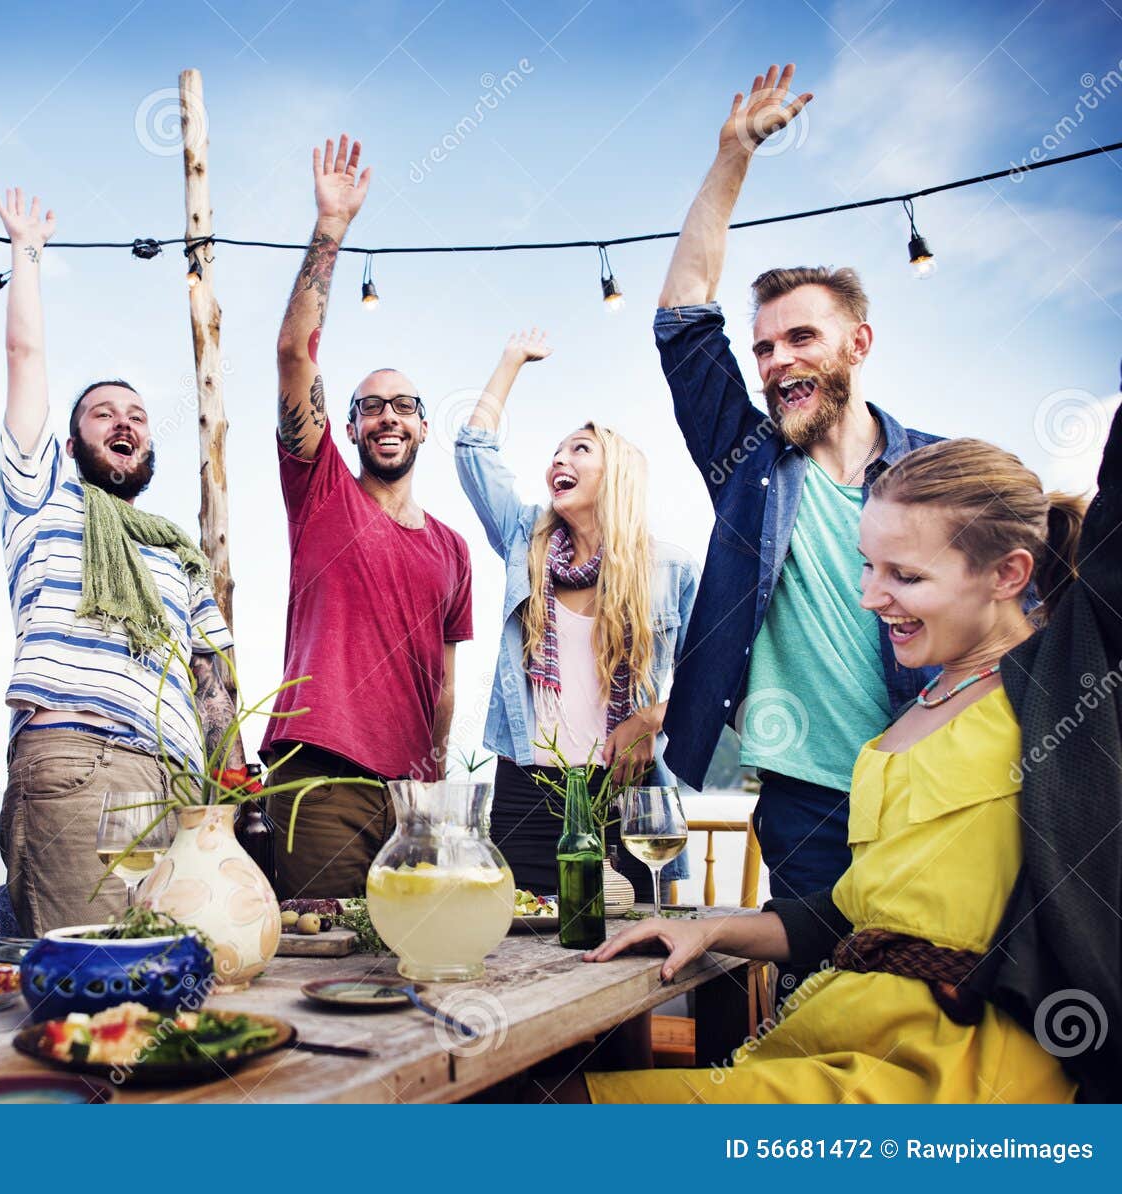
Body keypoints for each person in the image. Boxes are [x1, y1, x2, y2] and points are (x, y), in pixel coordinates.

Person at [580, 435, 1097, 1103]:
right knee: (539, 1102)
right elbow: (842, 919)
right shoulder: (912, 716)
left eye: (905, 576)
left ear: (1007, 575)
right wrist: (708, 928)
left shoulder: (1062, 693)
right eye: (868, 567)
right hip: (836, 1041)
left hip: (950, 1077)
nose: (870, 597)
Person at [654, 65, 939, 904]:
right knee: (824, 978)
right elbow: (681, 318)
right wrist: (732, 156)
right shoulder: (748, 466)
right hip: (805, 800)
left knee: (933, 990)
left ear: (859, 343)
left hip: (927, 783)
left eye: (801, 339)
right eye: (765, 349)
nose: (778, 363)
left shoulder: (934, 475)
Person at [0, 188, 246, 935]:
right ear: (71, 447)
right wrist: (26, 255)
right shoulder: (45, 502)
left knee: (181, 965)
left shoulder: (175, 551)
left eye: (136, 416)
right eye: (104, 413)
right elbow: (25, 359)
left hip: (176, 779)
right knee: (97, 970)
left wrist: (229, 779)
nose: (124, 422)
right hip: (81, 760)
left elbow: (214, 675)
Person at [261, 135, 474, 899]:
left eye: (404, 406)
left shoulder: (452, 548)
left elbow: (446, 685)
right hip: (319, 773)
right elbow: (293, 352)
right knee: (327, 963)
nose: (388, 416)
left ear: (423, 427)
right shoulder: (320, 491)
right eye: (370, 406)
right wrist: (331, 228)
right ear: (347, 427)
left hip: (414, 794)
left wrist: (436, 777)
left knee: (412, 960)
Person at [455, 331, 697, 898]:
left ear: (617, 474)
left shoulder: (669, 570)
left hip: (623, 788)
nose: (559, 460)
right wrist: (511, 358)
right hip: (527, 787)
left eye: (580, 450)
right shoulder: (527, 540)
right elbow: (473, 453)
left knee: (626, 949)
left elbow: (711, 675)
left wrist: (651, 719)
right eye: (556, 453)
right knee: (518, 943)